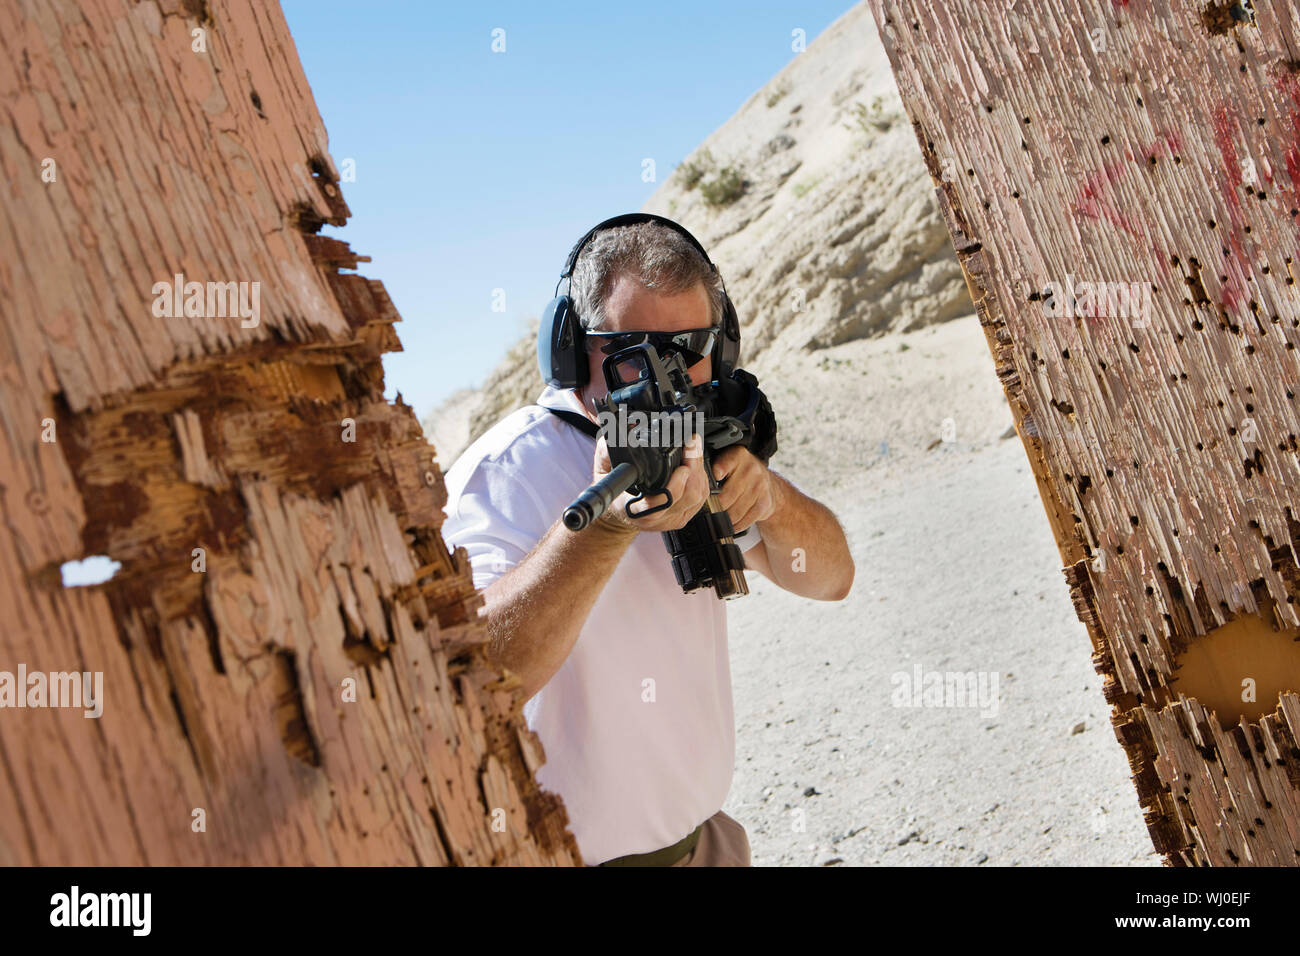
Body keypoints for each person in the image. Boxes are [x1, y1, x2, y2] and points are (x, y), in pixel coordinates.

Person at [441, 214, 854, 866]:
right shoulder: (508, 471)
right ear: (572, 348)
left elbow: (831, 579)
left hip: (706, 844)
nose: (664, 373)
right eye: (631, 345)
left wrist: (770, 499)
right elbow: (473, 675)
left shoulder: (703, 439)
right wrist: (603, 528)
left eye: (687, 346)